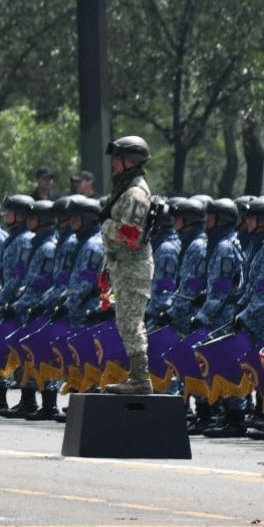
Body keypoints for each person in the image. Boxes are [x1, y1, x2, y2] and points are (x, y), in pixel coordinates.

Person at [100, 136, 155, 394]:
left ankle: (141, 380)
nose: (113, 164)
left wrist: (106, 225)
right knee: (125, 323)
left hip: (133, 268)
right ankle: (136, 377)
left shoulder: (134, 194)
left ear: (130, 162)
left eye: (118, 159)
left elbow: (131, 236)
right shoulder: (125, 188)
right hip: (123, 267)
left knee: (131, 323)